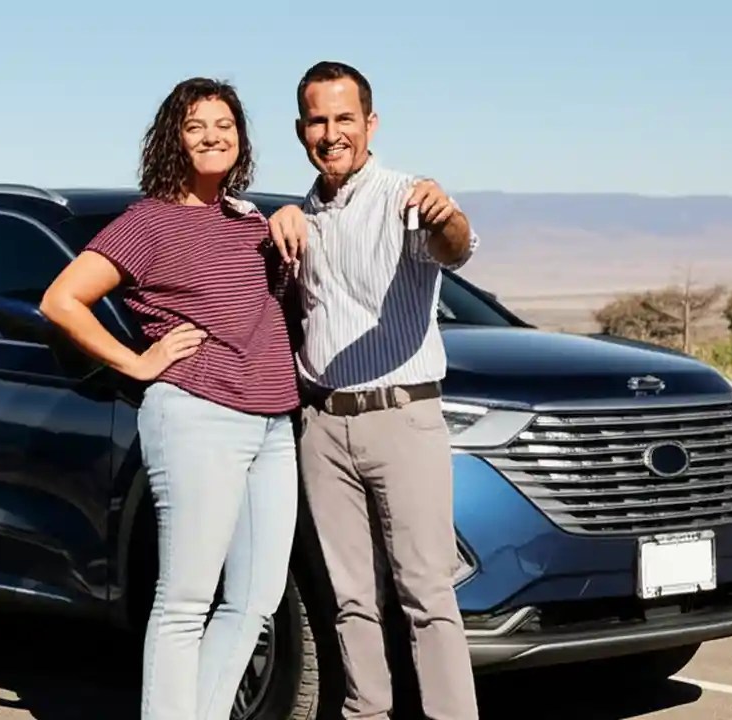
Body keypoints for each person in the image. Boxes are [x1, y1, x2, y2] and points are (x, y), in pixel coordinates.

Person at [39, 77, 300, 720]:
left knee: (255, 601)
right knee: (186, 599)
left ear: (240, 137)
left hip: (272, 422)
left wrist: (292, 218)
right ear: (172, 140)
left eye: (225, 124)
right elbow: (61, 300)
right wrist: (137, 361)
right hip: (198, 416)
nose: (213, 136)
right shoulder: (148, 222)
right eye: (195, 126)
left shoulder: (248, 220)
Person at [267, 61, 481, 719]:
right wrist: (277, 227)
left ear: (370, 123)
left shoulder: (405, 198)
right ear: (301, 128)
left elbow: (455, 247)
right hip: (324, 428)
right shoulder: (299, 217)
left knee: (427, 594)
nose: (332, 134)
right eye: (318, 120)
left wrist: (448, 215)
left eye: (344, 119)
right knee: (350, 598)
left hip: (401, 418)